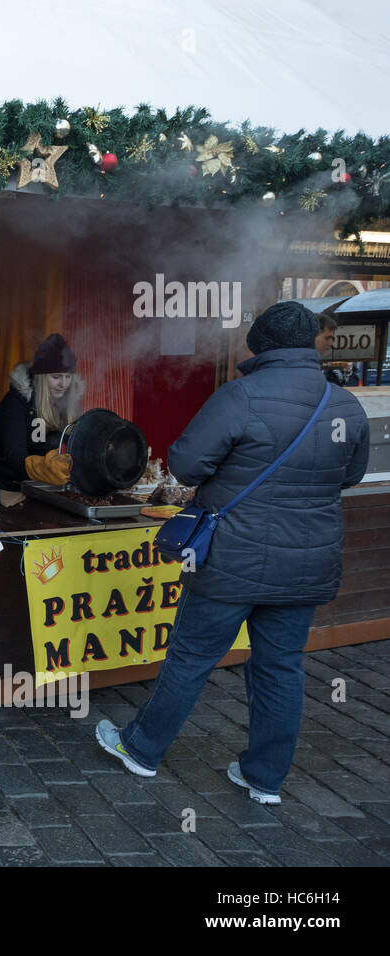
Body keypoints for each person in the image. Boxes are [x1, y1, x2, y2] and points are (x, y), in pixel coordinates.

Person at [96, 301, 370, 804]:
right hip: (307, 563)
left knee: (192, 656)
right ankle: (265, 779)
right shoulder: (344, 405)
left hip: (232, 559)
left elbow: (185, 464)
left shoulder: (240, 395)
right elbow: (349, 476)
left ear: (259, 345)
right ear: (311, 344)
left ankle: (142, 750)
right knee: (281, 666)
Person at [0, 333, 85, 488]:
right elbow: (14, 455)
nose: (63, 384)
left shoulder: (68, 402)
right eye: (56, 377)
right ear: (40, 377)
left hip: (31, 483)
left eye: (68, 377)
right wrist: (45, 468)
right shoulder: (16, 401)